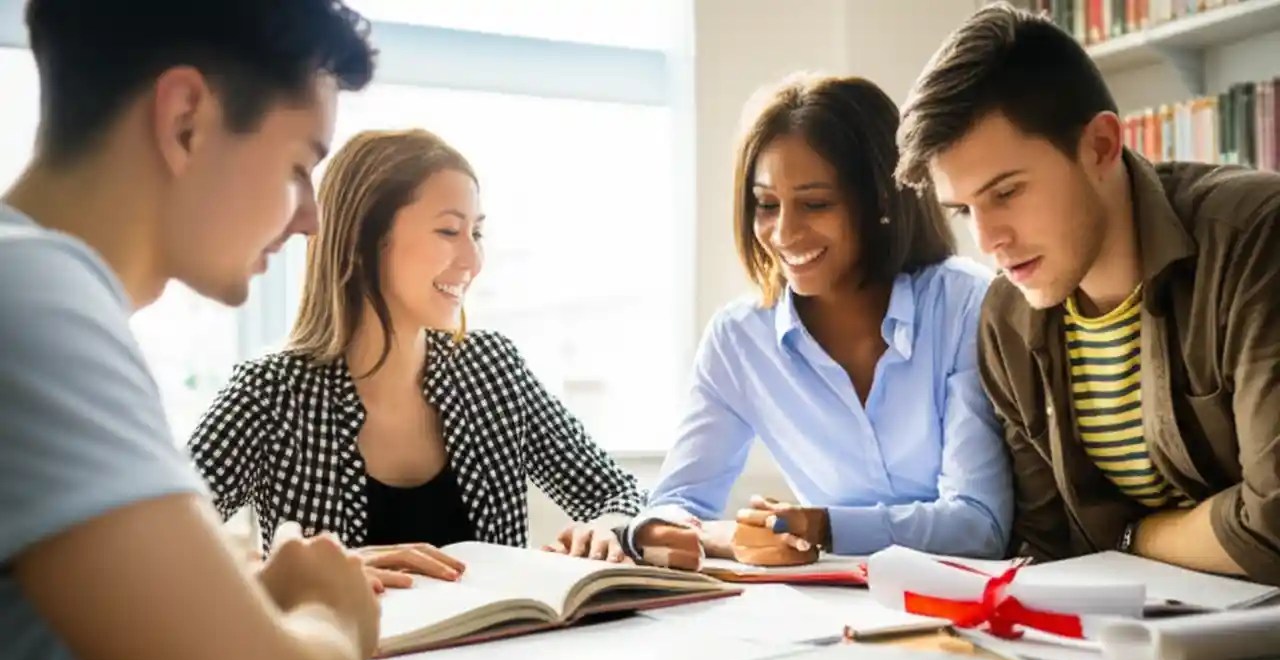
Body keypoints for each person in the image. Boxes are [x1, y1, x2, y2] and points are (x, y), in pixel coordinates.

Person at [0, 1, 386, 660]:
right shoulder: (35, 304)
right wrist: (329, 612)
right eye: (301, 166)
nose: (311, 220)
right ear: (186, 121)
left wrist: (234, 611)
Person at [895, 3, 1280, 584]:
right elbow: (1050, 548)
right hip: (1134, 641)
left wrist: (1128, 535)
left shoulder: (1255, 239)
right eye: (963, 210)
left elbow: (1273, 524)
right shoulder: (1006, 321)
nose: (988, 241)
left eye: (1007, 192)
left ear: (1100, 146)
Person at [189, 128, 646, 585]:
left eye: (477, 232)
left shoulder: (492, 369)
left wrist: (606, 531)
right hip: (348, 656)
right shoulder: (271, 392)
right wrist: (292, 576)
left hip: (499, 654)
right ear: (365, 236)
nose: (473, 259)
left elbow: (619, 495)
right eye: (449, 230)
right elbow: (159, 553)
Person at [627, 74, 1013, 569]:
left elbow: (979, 526)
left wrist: (824, 527)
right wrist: (674, 532)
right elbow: (677, 504)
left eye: (815, 204)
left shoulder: (965, 303)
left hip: (972, 604)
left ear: (880, 200)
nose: (783, 232)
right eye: (766, 205)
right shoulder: (739, 339)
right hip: (829, 612)